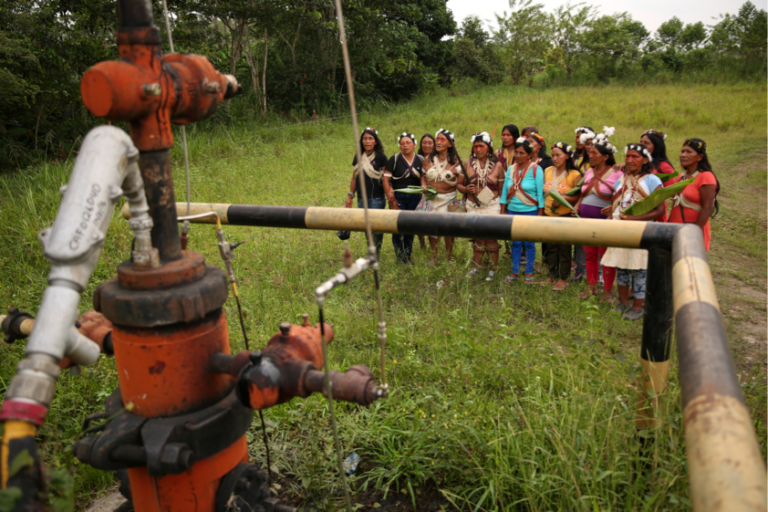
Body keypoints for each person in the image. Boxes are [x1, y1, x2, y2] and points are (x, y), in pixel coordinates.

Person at [601, 144, 665, 320]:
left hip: (641, 231)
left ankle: (637, 307)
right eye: (627, 156)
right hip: (620, 229)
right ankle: (622, 304)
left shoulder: (652, 181)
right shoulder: (621, 180)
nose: (629, 160)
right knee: (621, 267)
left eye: (635, 157)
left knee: (639, 270)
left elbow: (660, 210)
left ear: (645, 160)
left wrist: (634, 219)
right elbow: (620, 202)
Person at [573, 128, 622, 300]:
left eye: (594, 153)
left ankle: (607, 291)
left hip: (605, 221)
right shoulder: (588, 172)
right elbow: (583, 192)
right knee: (590, 255)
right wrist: (578, 205)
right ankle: (591, 287)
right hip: (586, 220)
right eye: (590, 152)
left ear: (606, 156)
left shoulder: (618, 173)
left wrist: (614, 209)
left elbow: (624, 195)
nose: (590, 155)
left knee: (605, 256)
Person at [500, 137, 544, 285]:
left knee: (529, 244)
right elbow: (505, 192)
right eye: (516, 152)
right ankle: (514, 271)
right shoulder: (511, 169)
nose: (518, 156)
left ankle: (529, 273)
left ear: (530, 155)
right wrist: (503, 210)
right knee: (516, 243)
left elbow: (540, 194)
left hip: (530, 211)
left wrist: (540, 214)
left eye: (522, 153)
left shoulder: (537, 169)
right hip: (512, 212)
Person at [421, 128, 465, 265]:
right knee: (431, 227)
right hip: (430, 198)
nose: (438, 142)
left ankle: (448, 256)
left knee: (448, 228)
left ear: (450, 144)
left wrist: (463, 198)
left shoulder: (457, 161)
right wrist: (423, 186)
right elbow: (423, 176)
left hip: (448, 198)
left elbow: (462, 182)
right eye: (437, 139)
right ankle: (434, 256)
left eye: (442, 140)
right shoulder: (428, 158)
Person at [667, 138, 719, 251]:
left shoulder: (706, 176)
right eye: (682, 151)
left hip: (693, 233)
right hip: (674, 230)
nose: (683, 155)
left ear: (700, 157)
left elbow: (707, 208)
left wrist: (693, 233)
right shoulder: (682, 176)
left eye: (688, 152)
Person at [542, 142, 581, 290]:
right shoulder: (548, 171)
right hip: (548, 214)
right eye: (553, 155)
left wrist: (562, 199)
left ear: (567, 156)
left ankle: (563, 278)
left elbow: (578, 196)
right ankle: (551, 275)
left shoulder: (574, 174)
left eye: (558, 155)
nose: (555, 158)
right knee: (551, 246)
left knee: (564, 248)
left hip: (564, 216)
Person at [464, 132, 503, 281]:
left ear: (488, 147)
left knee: (491, 239)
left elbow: (501, 190)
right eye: (475, 146)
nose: (478, 149)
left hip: (492, 206)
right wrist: (466, 189)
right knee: (478, 239)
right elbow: (460, 184)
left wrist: (503, 211)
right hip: (473, 206)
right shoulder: (467, 163)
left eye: (481, 146)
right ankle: (477, 267)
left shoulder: (498, 165)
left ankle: (493, 268)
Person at [345, 127, 387, 254]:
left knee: (377, 226)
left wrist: (390, 196)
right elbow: (354, 178)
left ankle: (377, 252)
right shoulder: (358, 156)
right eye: (365, 139)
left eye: (370, 139)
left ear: (375, 141)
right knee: (366, 226)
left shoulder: (381, 157)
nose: (367, 141)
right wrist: (350, 196)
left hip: (377, 198)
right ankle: (371, 251)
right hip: (361, 198)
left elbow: (386, 178)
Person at [384, 132, 424, 264]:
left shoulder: (421, 159)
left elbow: (423, 177)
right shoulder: (394, 159)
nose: (405, 145)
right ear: (399, 145)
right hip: (398, 198)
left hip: (415, 199)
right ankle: (399, 256)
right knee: (397, 227)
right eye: (402, 143)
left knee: (409, 227)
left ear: (414, 144)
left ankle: (408, 255)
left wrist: (423, 186)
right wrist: (390, 196)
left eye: (408, 143)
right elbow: (386, 179)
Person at [571, 126, 595, 282]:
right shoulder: (573, 158)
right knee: (578, 238)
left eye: (585, 140)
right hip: (575, 200)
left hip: (591, 202)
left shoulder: (592, 164)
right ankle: (579, 268)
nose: (579, 140)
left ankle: (594, 272)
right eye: (577, 137)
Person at [495, 124, 520, 259]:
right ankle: (507, 248)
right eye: (503, 134)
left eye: (508, 135)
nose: (505, 137)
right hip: (501, 188)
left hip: (518, 188)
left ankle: (520, 250)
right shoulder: (498, 153)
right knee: (503, 215)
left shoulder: (520, 151)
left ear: (515, 137)